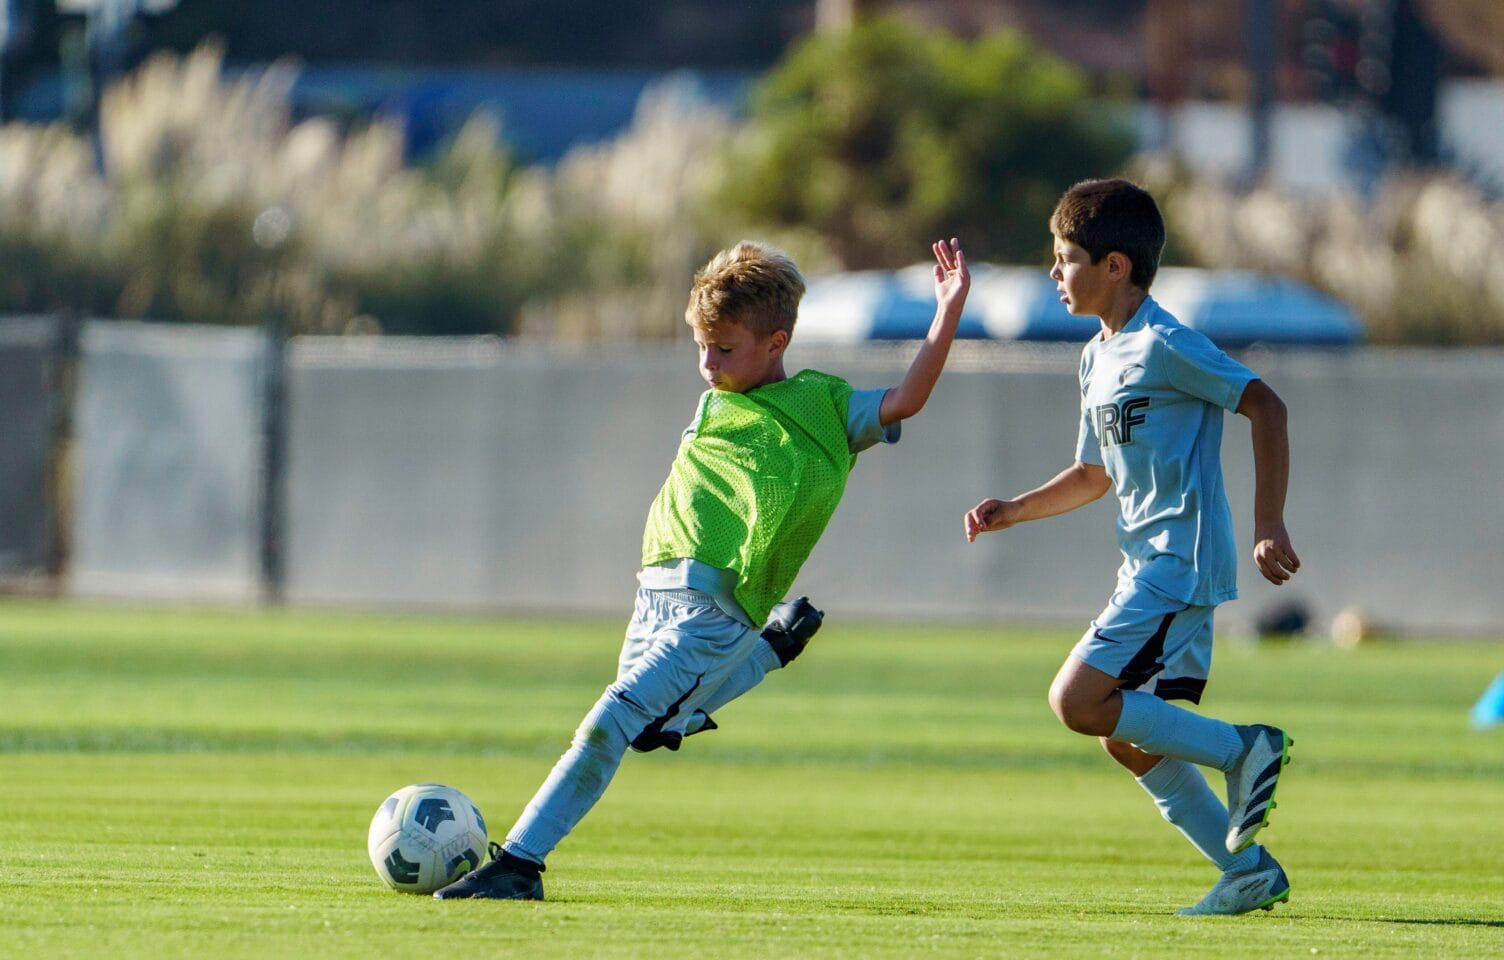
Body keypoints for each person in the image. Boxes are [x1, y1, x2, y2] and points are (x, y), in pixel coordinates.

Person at [436, 238, 971, 900]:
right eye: (701, 347)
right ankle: (770, 651)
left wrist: (946, 312)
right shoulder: (714, 403)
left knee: (609, 724)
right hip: (652, 597)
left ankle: (519, 865)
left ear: (776, 343)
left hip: (715, 612)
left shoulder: (824, 406)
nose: (707, 364)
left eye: (724, 349)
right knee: (649, 727)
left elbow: (908, 398)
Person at [964, 179, 1301, 916]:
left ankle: (1245, 750)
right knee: (1135, 742)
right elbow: (1093, 474)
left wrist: (1267, 522)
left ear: (1116, 266)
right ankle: (1245, 871)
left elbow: (1264, 405)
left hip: (1175, 571)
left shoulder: (1167, 343)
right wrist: (1015, 510)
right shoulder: (1097, 357)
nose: (1056, 273)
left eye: (1068, 258)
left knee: (1077, 701)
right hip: (1149, 569)